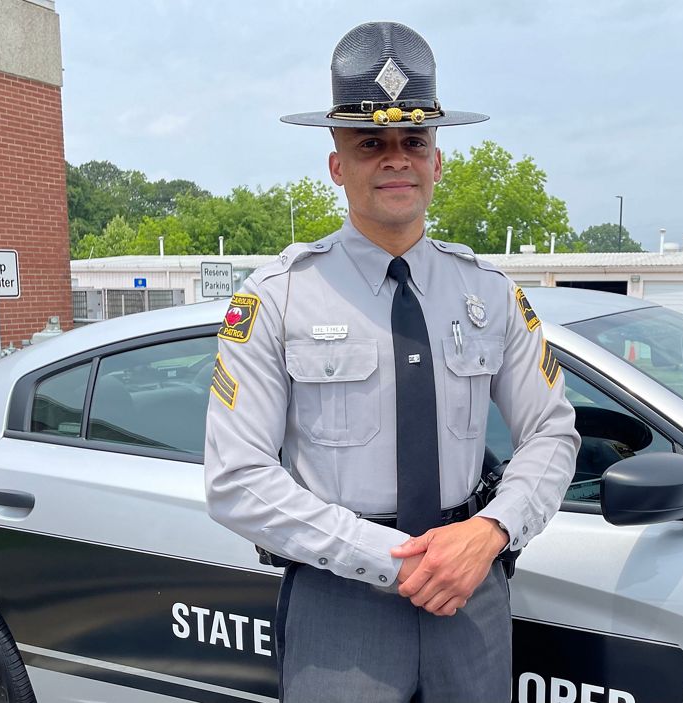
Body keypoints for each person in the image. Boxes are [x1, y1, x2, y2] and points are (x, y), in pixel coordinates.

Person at [203, 21, 579, 703]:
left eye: (414, 141)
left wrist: (490, 530)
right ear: (337, 165)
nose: (396, 159)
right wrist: (390, 560)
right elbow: (236, 478)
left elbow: (552, 431)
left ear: (438, 162)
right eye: (370, 143)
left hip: (470, 589)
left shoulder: (491, 293)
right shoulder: (277, 297)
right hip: (340, 598)